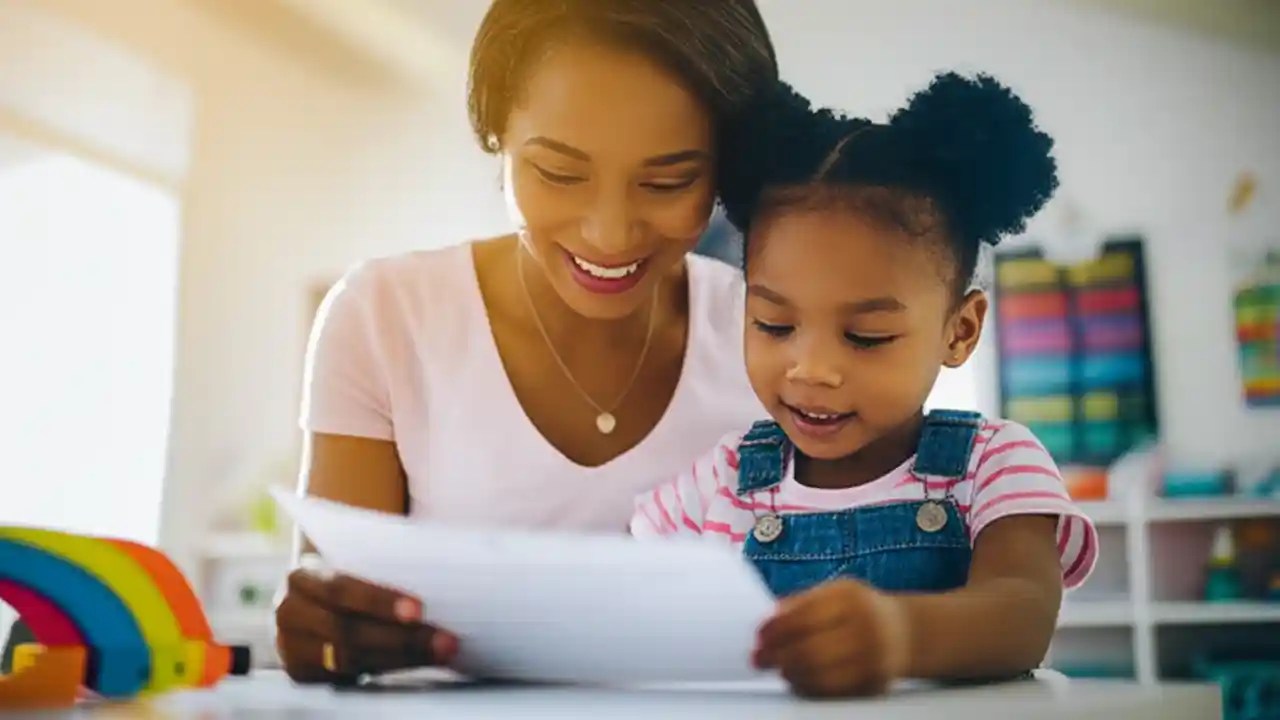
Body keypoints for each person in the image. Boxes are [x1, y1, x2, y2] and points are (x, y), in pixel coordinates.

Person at [273, 0, 779, 684]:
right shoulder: (383, 316)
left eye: (668, 182)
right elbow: (336, 604)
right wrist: (323, 628)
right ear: (496, 134)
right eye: (559, 174)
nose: (609, 234)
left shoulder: (771, 332)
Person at [631, 73, 1099, 697]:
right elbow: (624, 591)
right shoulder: (725, 478)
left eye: (865, 336)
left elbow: (1022, 614)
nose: (810, 369)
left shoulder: (992, 465)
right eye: (774, 324)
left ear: (959, 331)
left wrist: (901, 636)